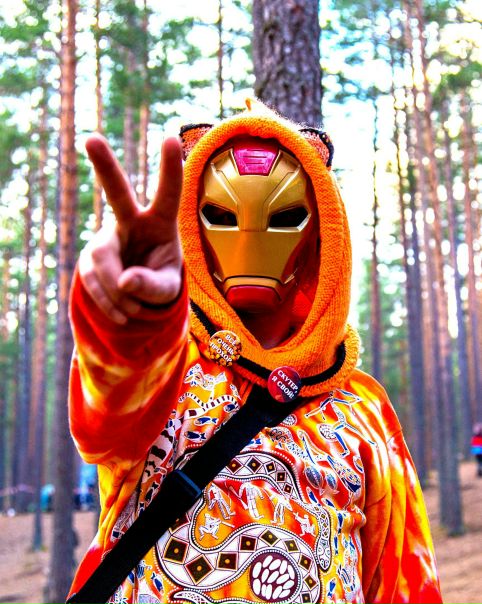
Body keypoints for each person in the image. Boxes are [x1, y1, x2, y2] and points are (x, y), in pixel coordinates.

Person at [67, 99, 442, 603]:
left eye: (284, 216)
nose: (249, 240)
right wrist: (132, 318)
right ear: (193, 226)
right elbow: (104, 412)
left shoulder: (363, 410)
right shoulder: (166, 366)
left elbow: (404, 580)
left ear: (322, 231)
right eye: (221, 215)